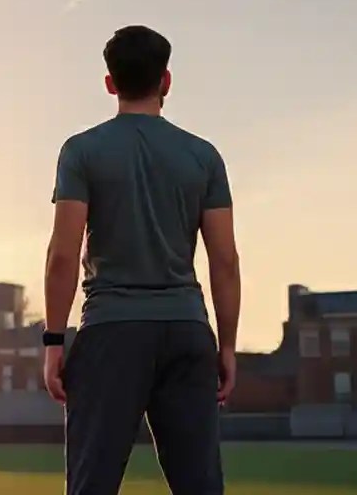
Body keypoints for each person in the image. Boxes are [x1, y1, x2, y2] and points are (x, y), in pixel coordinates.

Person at [42, 25, 241, 495]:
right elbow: (225, 261)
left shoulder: (82, 151)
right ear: (166, 81)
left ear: (110, 83)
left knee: (92, 485)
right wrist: (227, 347)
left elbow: (62, 257)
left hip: (111, 332)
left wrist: (54, 341)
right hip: (187, 333)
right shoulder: (203, 156)